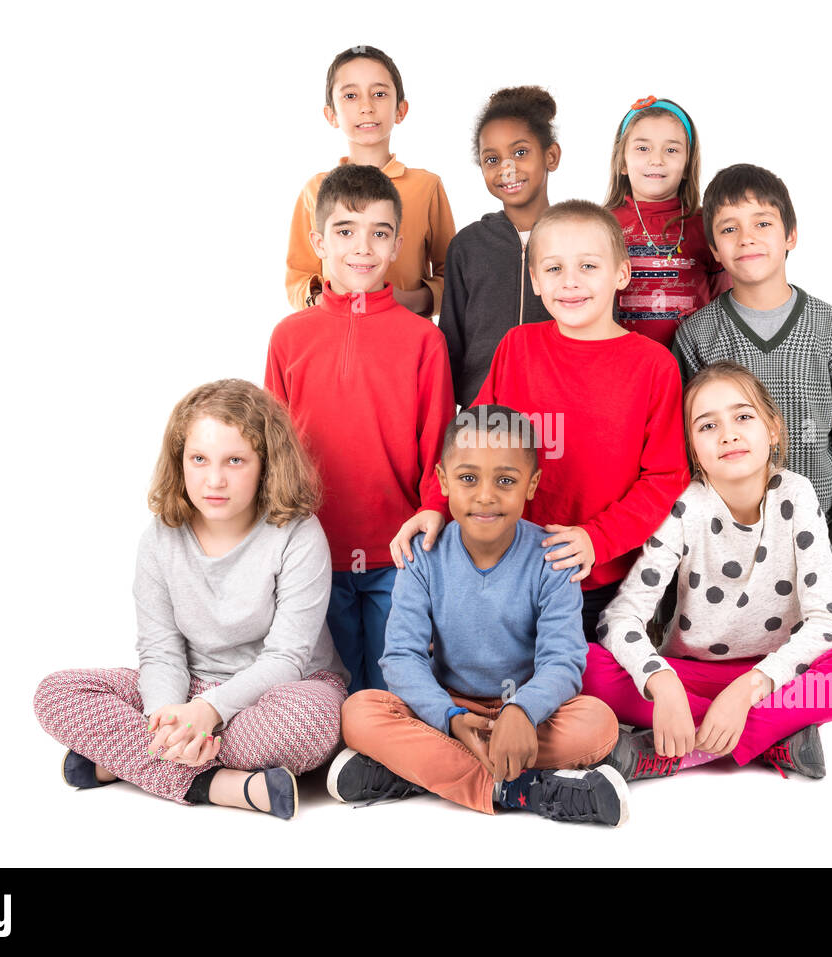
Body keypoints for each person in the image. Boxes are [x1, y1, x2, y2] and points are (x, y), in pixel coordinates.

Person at [33, 380, 348, 820]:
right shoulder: (160, 538)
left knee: (304, 726)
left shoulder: (298, 533)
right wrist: (168, 716)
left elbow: (288, 657)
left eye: (235, 461)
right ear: (180, 461)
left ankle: (124, 763)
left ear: (265, 465)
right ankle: (218, 786)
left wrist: (208, 712)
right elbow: (161, 653)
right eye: (199, 459)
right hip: (190, 687)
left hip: (286, 690)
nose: (214, 480)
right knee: (56, 693)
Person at [391, 200, 688, 643]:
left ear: (621, 274)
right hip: (508, 568)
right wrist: (435, 504)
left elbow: (665, 477)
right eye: (553, 269)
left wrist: (597, 539)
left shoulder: (653, 366)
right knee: (498, 689)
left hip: (598, 579)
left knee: (582, 697)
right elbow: (470, 441)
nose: (570, 282)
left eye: (588, 265)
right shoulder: (517, 348)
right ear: (534, 279)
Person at [584, 362, 832, 781]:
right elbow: (620, 618)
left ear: (773, 429)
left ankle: (675, 752)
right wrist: (663, 685)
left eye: (743, 417)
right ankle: (776, 737)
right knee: (584, 664)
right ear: (692, 447)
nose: (728, 433)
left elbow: (830, 621)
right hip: (692, 677)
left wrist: (749, 691)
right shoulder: (684, 507)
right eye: (707, 426)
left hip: (776, 677)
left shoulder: (797, 496)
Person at [331, 406, 629, 825]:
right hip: (449, 708)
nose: (485, 495)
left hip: (528, 713)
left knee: (597, 724)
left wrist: (521, 711)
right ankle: (519, 789)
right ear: (443, 480)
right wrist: (450, 719)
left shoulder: (552, 557)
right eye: (468, 478)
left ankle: (420, 773)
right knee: (359, 711)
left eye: (505, 480)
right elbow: (401, 657)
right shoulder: (424, 556)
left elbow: (562, 661)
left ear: (532, 484)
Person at [266, 163, 455, 692]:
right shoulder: (288, 338)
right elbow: (271, 449)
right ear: (319, 241)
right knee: (327, 690)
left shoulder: (424, 341)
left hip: (398, 552)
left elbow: (439, 442)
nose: (363, 247)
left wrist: (434, 510)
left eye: (380, 233)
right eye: (346, 231)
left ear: (397, 246)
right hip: (310, 553)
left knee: (395, 689)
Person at [674, 163, 832, 617]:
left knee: (813, 672)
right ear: (714, 249)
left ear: (791, 235)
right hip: (720, 553)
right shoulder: (697, 336)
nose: (746, 237)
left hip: (812, 550)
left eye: (763, 223)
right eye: (730, 228)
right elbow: (685, 457)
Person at [284, 45, 455, 318]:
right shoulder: (315, 191)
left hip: (403, 340)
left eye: (379, 94)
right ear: (331, 114)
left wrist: (403, 301)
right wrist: (327, 304)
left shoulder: (427, 187)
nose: (366, 107)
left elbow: (454, 278)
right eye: (350, 95)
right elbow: (299, 277)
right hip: (334, 339)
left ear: (400, 110)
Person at [439, 86, 560, 407]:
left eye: (520, 152)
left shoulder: (580, 238)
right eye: (492, 159)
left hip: (562, 412)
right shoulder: (466, 247)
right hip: (483, 418)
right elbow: (451, 347)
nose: (507, 168)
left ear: (551, 156)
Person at [603, 96, 729, 348]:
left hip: (693, 365)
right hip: (623, 364)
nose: (656, 159)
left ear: (686, 165)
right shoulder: (601, 226)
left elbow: (726, 304)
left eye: (671, 150)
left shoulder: (706, 226)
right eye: (643, 148)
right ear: (622, 162)